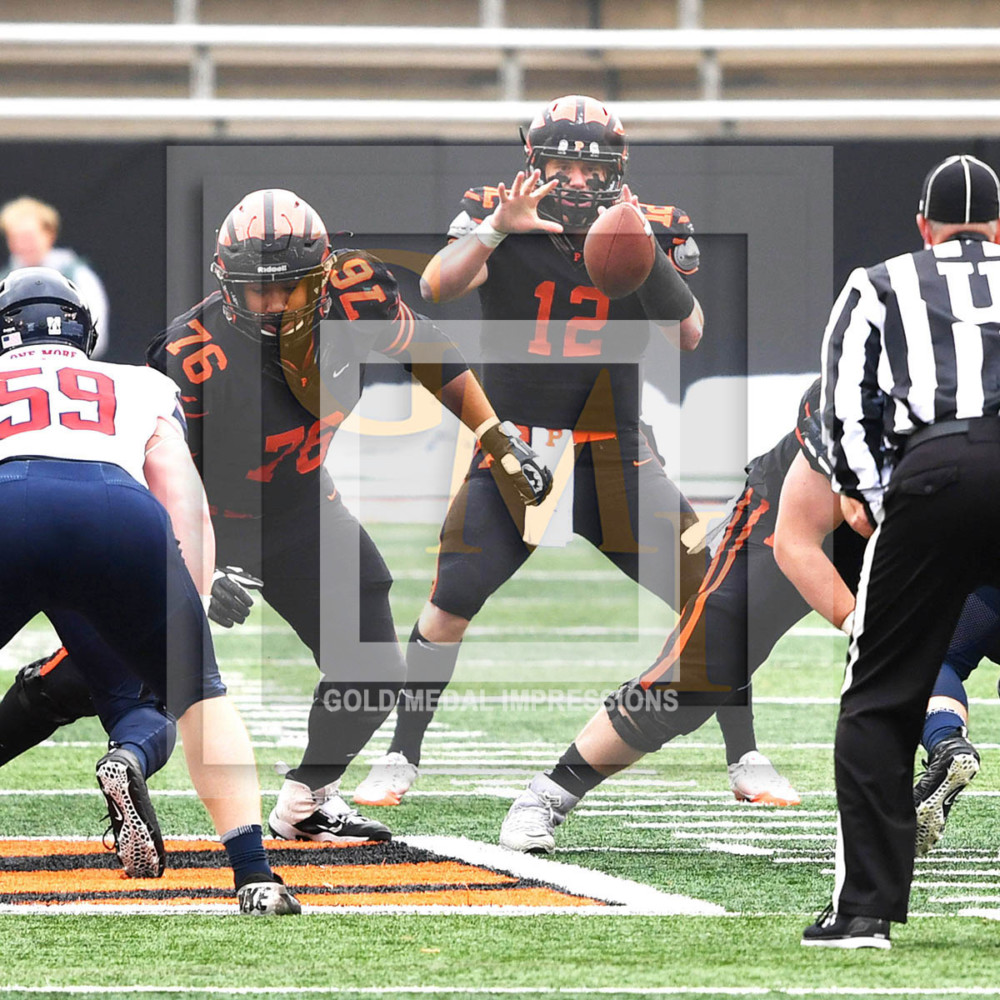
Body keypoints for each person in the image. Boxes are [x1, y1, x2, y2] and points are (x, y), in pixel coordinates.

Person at [1, 189, 551, 848]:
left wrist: (495, 437)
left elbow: (428, 354)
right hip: (208, 521)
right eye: (255, 291)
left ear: (319, 276)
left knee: (373, 669)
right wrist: (200, 559)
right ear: (224, 281)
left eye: (288, 288)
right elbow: (158, 475)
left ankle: (307, 803)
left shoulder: (357, 294)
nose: (271, 305)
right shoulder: (190, 353)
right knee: (102, 673)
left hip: (302, 511)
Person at [354, 94, 795, 810]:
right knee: (449, 603)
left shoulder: (646, 227)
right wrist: (499, 229)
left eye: (592, 169)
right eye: (563, 163)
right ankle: (400, 755)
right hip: (518, 450)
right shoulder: (497, 211)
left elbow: (690, 333)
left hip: (614, 451)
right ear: (536, 161)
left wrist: (641, 251)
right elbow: (436, 284)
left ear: (618, 171)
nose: (579, 180)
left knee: (710, 594)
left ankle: (744, 755)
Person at [498, 378, 1000, 855]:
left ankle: (936, 753)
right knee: (698, 674)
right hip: (798, 520)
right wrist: (862, 626)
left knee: (942, 642)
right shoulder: (860, 394)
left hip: (918, 528)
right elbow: (796, 543)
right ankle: (549, 793)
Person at [0, 267, 298, 915]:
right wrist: (187, 607)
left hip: (9, 503)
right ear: (86, 331)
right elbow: (181, 493)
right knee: (199, 696)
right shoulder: (138, 383)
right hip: (118, 511)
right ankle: (254, 875)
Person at [804, 153, 1000, 950]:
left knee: (879, 697)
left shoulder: (880, 279)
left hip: (937, 467)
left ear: (924, 227)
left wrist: (883, 501)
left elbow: (843, 406)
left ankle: (863, 914)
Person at [0, 197, 110, 358]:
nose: (23, 245)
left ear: (49, 234)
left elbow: (97, 331)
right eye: (16, 238)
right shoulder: (3, 282)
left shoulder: (77, 275)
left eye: (29, 237)